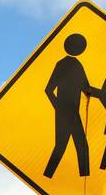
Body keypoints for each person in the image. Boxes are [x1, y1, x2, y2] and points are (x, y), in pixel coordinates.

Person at [43, 32, 102, 178]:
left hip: (71, 113)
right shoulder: (65, 65)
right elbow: (48, 90)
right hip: (66, 112)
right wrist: (59, 107)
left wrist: (103, 93)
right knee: (69, 147)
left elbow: (86, 89)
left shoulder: (75, 65)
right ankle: (49, 176)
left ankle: (53, 176)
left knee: (76, 147)